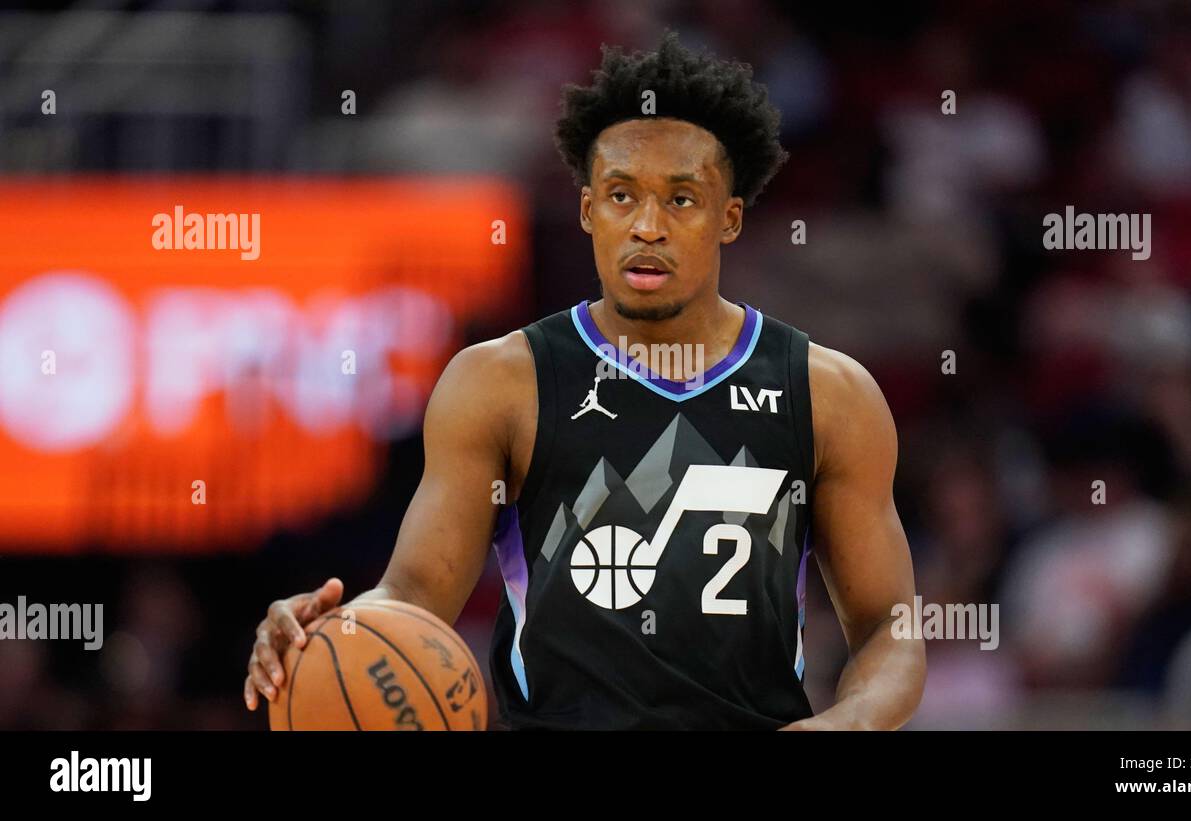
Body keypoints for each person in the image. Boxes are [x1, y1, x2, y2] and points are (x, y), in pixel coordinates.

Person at [244, 30, 924, 730]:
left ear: (730, 218)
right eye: (622, 195)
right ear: (587, 210)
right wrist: (334, 631)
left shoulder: (829, 393)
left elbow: (889, 626)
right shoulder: (501, 381)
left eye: (682, 199)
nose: (648, 226)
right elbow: (414, 593)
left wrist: (855, 720)